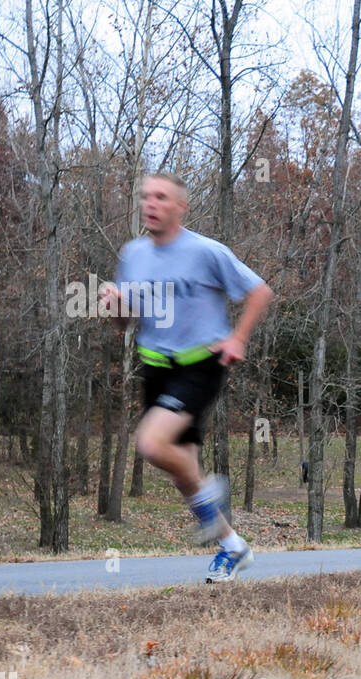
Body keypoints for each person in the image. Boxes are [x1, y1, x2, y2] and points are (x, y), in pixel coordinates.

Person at [100, 171, 273, 581]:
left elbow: (259, 291)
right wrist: (114, 304)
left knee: (150, 443)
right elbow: (123, 323)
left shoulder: (206, 252)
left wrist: (238, 339)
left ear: (181, 206)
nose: (151, 204)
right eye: (145, 197)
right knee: (184, 474)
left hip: (200, 364)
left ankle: (213, 493)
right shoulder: (133, 254)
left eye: (161, 197)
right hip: (156, 367)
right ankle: (232, 547)